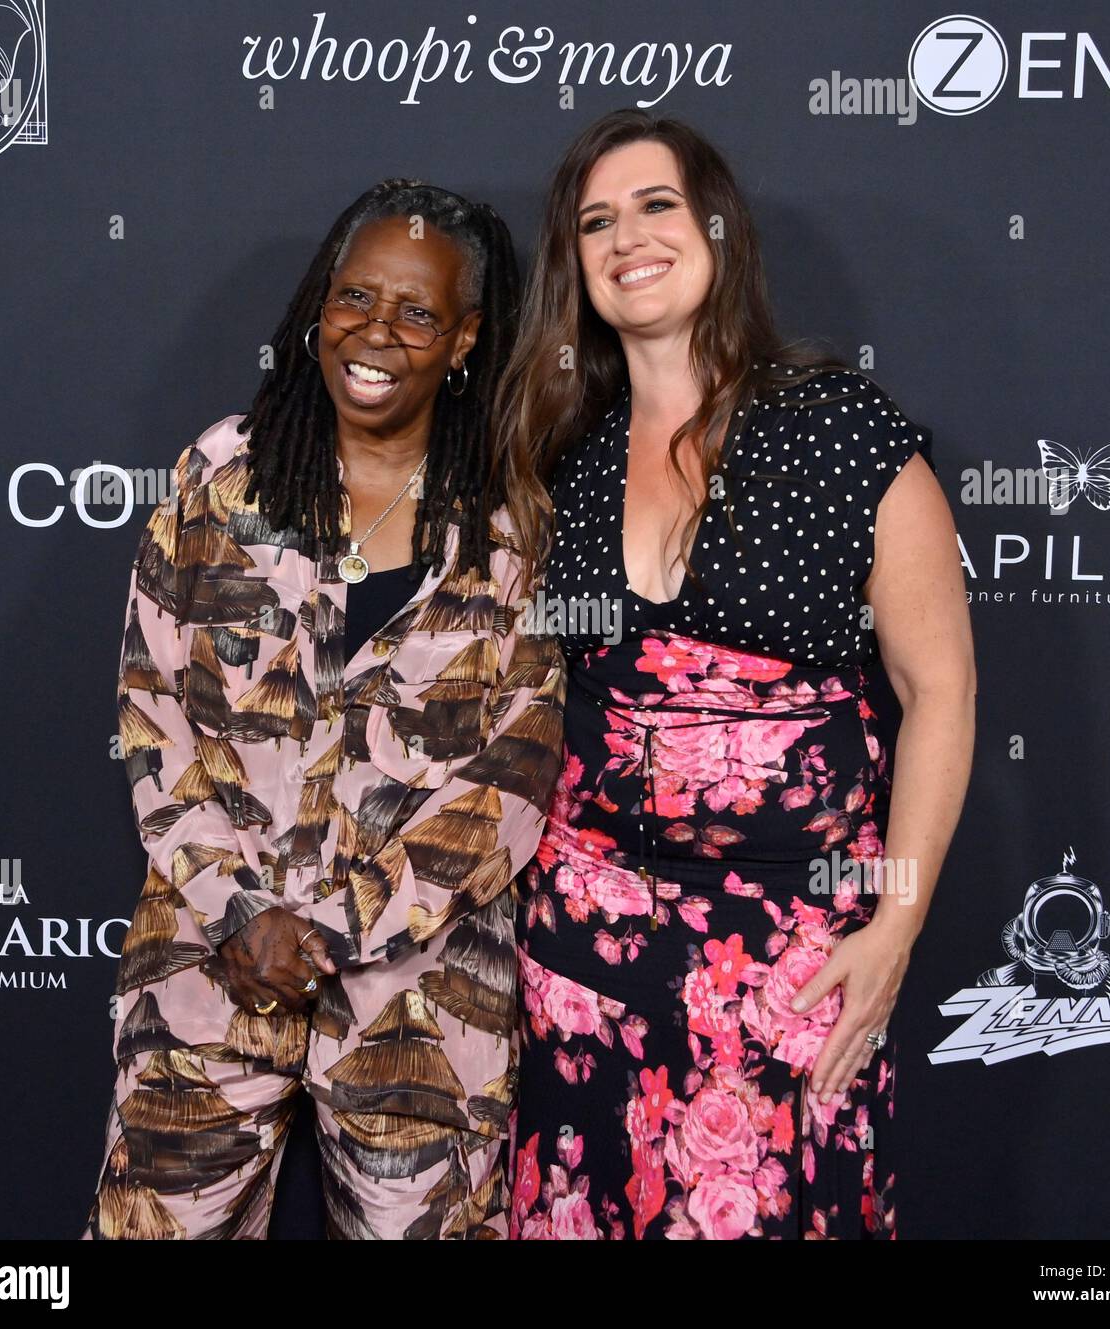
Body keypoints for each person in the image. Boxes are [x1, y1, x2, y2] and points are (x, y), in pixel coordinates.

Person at [494, 111, 976, 1239]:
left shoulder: (844, 430)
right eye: (595, 223)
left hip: (796, 954)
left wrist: (893, 930)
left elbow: (939, 693)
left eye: (655, 205)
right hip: (585, 952)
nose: (627, 239)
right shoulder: (561, 446)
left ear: (716, 228)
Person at [83, 180, 564, 1240]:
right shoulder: (222, 477)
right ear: (319, 303)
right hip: (211, 966)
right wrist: (243, 916)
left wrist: (338, 930)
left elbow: (515, 770)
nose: (375, 334)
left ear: (467, 338)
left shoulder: (512, 520)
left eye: (417, 313)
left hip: (424, 1000)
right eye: (355, 297)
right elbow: (151, 706)